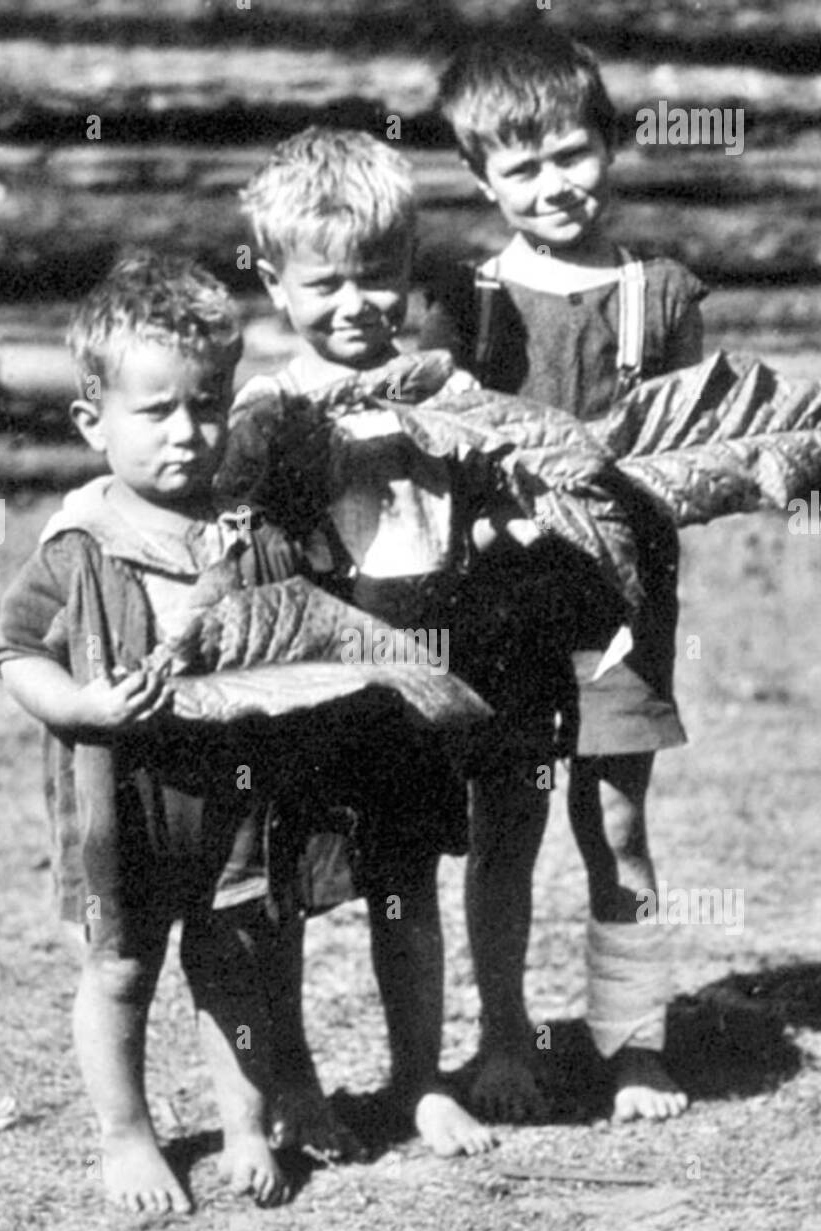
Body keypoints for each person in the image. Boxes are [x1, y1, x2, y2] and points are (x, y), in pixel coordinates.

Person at [420, 35, 703, 1123]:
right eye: (523, 168)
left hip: (621, 613)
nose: (555, 185)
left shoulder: (658, 295)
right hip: (502, 606)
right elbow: (443, 446)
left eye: (572, 154)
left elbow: (687, 449)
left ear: (609, 145)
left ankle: (634, 1044)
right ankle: (501, 1038)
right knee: (505, 826)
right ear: (483, 180)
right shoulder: (471, 300)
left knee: (617, 826)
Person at [0, 253, 300, 1213]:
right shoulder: (80, 547)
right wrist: (78, 707)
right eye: (156, 411)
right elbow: (14, 653)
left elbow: (295, 639)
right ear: (94, 422)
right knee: (122, 967)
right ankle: (126, 1135)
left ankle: (246, 1123)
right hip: (117, 802)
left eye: (208, 406)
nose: (188, 433)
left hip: (236, 800)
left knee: (233, 967)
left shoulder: (250, 537)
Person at [230, 126, 497, 1158]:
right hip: (306, 672)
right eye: (326, 282)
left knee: (406, 883)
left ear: (409, 263)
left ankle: (421, 1078)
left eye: (379, 277)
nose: (356, 304)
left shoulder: (444, 390)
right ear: (274, 283)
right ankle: (295, 1085)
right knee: (286, 896)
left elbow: (482, 503)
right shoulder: (267, 408)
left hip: (419, 665)